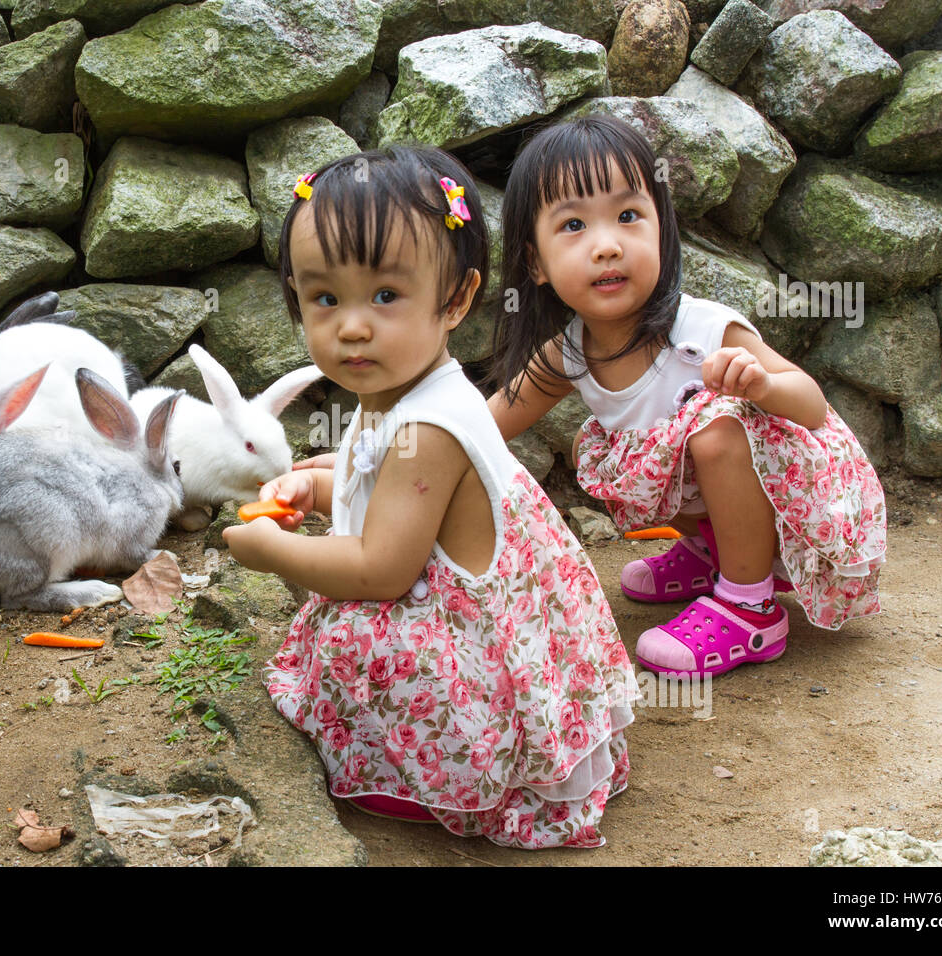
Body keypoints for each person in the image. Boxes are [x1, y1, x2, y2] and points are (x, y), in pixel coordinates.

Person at [222, 146, 637, 849]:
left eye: (385, 295)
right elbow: (380, 492)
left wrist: (276, 552)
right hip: (493, 628)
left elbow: (381, 568)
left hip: (470, 668)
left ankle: (439, 778)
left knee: (350, 630)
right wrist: (313, 487)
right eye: (326, 297)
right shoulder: (398, 387)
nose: (352, 325)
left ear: (457, 298)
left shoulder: (427, 426)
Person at [488, 116, 886, 680]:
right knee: (621, 442)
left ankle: (749, 604)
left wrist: (762, 386)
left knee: (714, 422)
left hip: (804, 507)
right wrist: (384, 452)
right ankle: (711, 555)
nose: (606, 246)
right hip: (740, 502)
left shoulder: (701, 330)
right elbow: (484, 427)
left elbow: (813, 405)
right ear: (536, 264)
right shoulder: (568, 352)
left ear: (660, 232)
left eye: (628, 217)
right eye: (573, 225)